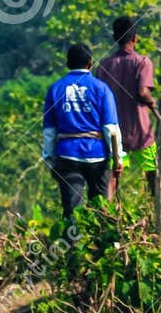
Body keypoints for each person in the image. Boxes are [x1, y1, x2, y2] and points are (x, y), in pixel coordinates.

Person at [42, 43, 122, 218]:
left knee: (72, 208)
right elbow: (111, 129)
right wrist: (118, 159)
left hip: (67, 154)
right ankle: (101, 242)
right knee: (101, 209)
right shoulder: (102, 88)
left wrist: (49, 159)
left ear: (68, 64)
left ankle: (70, 242)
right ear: (90, 63)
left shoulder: (55, 89)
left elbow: (49, 130)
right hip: (97, 155)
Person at [96, 16, 159, 205]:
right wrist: (153, 102)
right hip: (140, 131)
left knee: (114, 175)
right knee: (152, 173)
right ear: (135, 38)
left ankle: (106, 215)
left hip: (113, 131)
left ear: (115, 38)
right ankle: (158, 210)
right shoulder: (142, 62)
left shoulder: (104, 66)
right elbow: (142, 92)